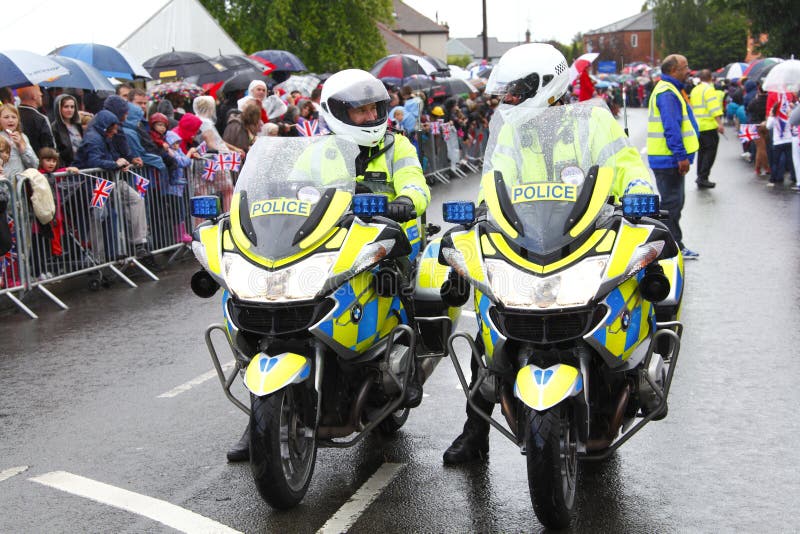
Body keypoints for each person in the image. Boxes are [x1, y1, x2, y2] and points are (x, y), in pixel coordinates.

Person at [442, 43, 656, 465]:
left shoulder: (592, 120)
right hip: (527, 239)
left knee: (648, 274)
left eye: (516, 91)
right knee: (491, 325)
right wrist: (486, 214)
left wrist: (639, 193)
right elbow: (494, 180)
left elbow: (626, 163)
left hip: (587, 236)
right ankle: (475, 431)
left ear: (547, 86)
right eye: (506, 93)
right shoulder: (511, 131)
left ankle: (644, 377)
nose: (509, 101)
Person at [225, 68, 431, 463]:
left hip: (388, 238)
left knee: (402, 284)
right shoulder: (317, 151)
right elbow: (295, 189)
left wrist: (406, 200)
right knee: (281, 306)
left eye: (375, 109)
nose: (371, 118)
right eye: (360, 111)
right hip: (334, 240)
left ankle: (411, 367)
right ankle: (261, 419)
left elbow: (416, 184)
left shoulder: (397, 147)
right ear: (336, 112)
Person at [646, 54, 700, 260]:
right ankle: (670, 246)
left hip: (668, 159)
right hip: (668, 159)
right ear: (673, 70)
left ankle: (671, 243)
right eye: (685, 67)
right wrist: (680, 156)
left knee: (673, 204)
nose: (688, 71)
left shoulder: (670, 89)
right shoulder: (667, 92)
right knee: (671, 205)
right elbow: (672, 127)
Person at [689, 69, 724, 188]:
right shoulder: (709, 90)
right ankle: (703, 177)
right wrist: (719, 123)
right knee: (710, 152)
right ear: (710, 78)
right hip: (709, 125)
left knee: (702, 152)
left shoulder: (695, 90)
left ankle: (700, 175)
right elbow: (713, 108)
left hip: (698, 126)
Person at [0, 104, 39, 178]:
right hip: (5, 185)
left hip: (21, 185)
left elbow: (34, 165)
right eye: (6, 117)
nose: (11, 120)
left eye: (14, 117)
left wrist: (22, 147)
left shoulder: (23, 137)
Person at [17, 85, 56, 156]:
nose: (42, 94)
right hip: (40, 163)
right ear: (33, 96)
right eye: (39, 91)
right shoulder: (41, 119)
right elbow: (50, 148)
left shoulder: (12, 116)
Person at [51, 94, 84, 167]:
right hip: (67, 169)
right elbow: (55, 151)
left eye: (72, 107)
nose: (70, 110)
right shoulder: (54, 128)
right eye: (66, 107)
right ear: (59, 108)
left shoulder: (78, 125)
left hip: (82, 166)